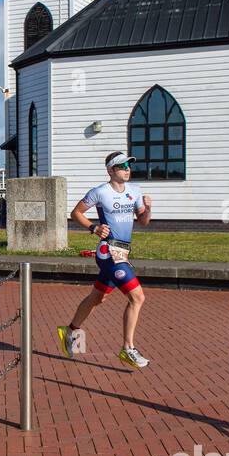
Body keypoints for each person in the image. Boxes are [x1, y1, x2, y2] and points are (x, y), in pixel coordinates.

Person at [58, 151, 152, 368]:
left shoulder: (135, 191)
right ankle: (128, 348)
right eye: (122, 166)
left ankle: (70, 332)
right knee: (137, 298)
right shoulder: (100, 192)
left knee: (98, 298)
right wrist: (94, 227)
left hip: (124, 252)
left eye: (129, 165)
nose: (127, 169)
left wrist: (148, 208)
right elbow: (76, 213)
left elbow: (144, 221)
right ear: (110, 170)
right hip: (108, 252)